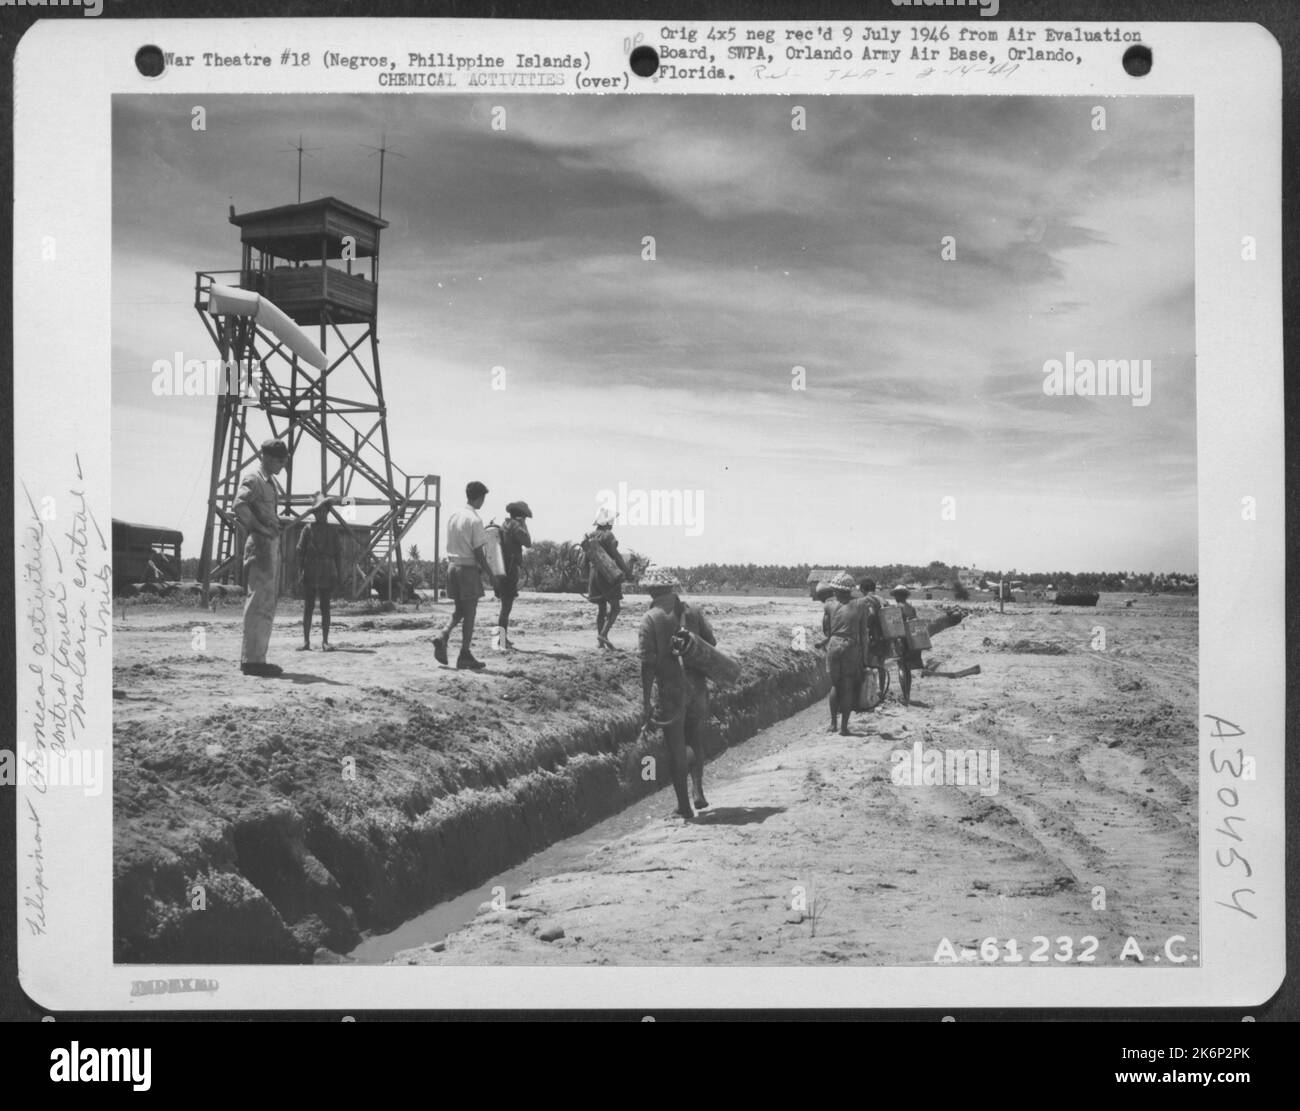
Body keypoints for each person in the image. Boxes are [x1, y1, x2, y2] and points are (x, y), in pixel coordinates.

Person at [639, 565, 716, 820]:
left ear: (650, 589)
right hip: (698, 686)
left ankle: (684, 807)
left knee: (676, 748)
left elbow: (647, 664)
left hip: (671, 690)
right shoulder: (692, 610)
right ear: (671, 586)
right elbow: (711, 644)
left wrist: (646, 701)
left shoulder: (650, 619)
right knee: (695, 738)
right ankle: (698, 790)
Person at [233, 438, 290, 677]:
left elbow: (264, 512)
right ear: (266, 457)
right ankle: (252, 660)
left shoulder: (270, 482)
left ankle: (258, 658)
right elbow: (239, 505)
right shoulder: (254, 479)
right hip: (259, 546)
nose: (281, 466)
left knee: (266, 602)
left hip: (269, 544)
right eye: (279, 461)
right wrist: (259, 528)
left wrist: (274, 524)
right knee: (258, 602)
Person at [433, 480, 500, 670]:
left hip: (452, 567)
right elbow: (479, 552)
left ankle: (443, 635)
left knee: (459, 610)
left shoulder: (454, 515)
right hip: (467, 570)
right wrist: (491, 575)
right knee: (470, 613)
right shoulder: (475, 519)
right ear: (480, 497)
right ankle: (464, 654)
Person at [823, 572, 870, 735]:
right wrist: (865, 656)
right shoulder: (861, 604)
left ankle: (832, 724)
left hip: (833, 646)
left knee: (835, 685)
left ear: (835, 589)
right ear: (850, 589)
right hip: (851, 647)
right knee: (848, 685)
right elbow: (864, 633)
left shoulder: (828, 605)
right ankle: (844, 728)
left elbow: (826, 631)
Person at [296, 494, 344, 652]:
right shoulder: (307, 529)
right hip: (310, 570)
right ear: (314, 513)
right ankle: (305, 641)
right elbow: (300, 552)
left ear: (327, 512)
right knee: (308, 607)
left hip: (327, 571)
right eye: (317, 512)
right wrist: (299, 573)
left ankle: (325, 641)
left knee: (325, 607)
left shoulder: (333, 531)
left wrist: (339, 574)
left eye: (323, 511)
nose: (320, 514)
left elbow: (338, 554)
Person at [583, 507, 631, 649]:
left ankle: (600, 643)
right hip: (607, 575)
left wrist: (586, 575)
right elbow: (615, 555)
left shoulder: (590, 536)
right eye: (612, 521)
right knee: (615, 608)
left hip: (594, 575)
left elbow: (584, 559)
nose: (613, 524)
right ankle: (603, 634)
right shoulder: (609, 535)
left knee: (601, 609)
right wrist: (627, 571)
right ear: (608, 522)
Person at [494, 500, 532, 651]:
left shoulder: (505, 524)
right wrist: (524, 525)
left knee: (505, 606)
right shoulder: (516, 526)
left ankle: (502, 639)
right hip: (510, 570)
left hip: (503, 568)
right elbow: (528, 542)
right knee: (506, 606)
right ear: (521, 515)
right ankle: (501, 640)